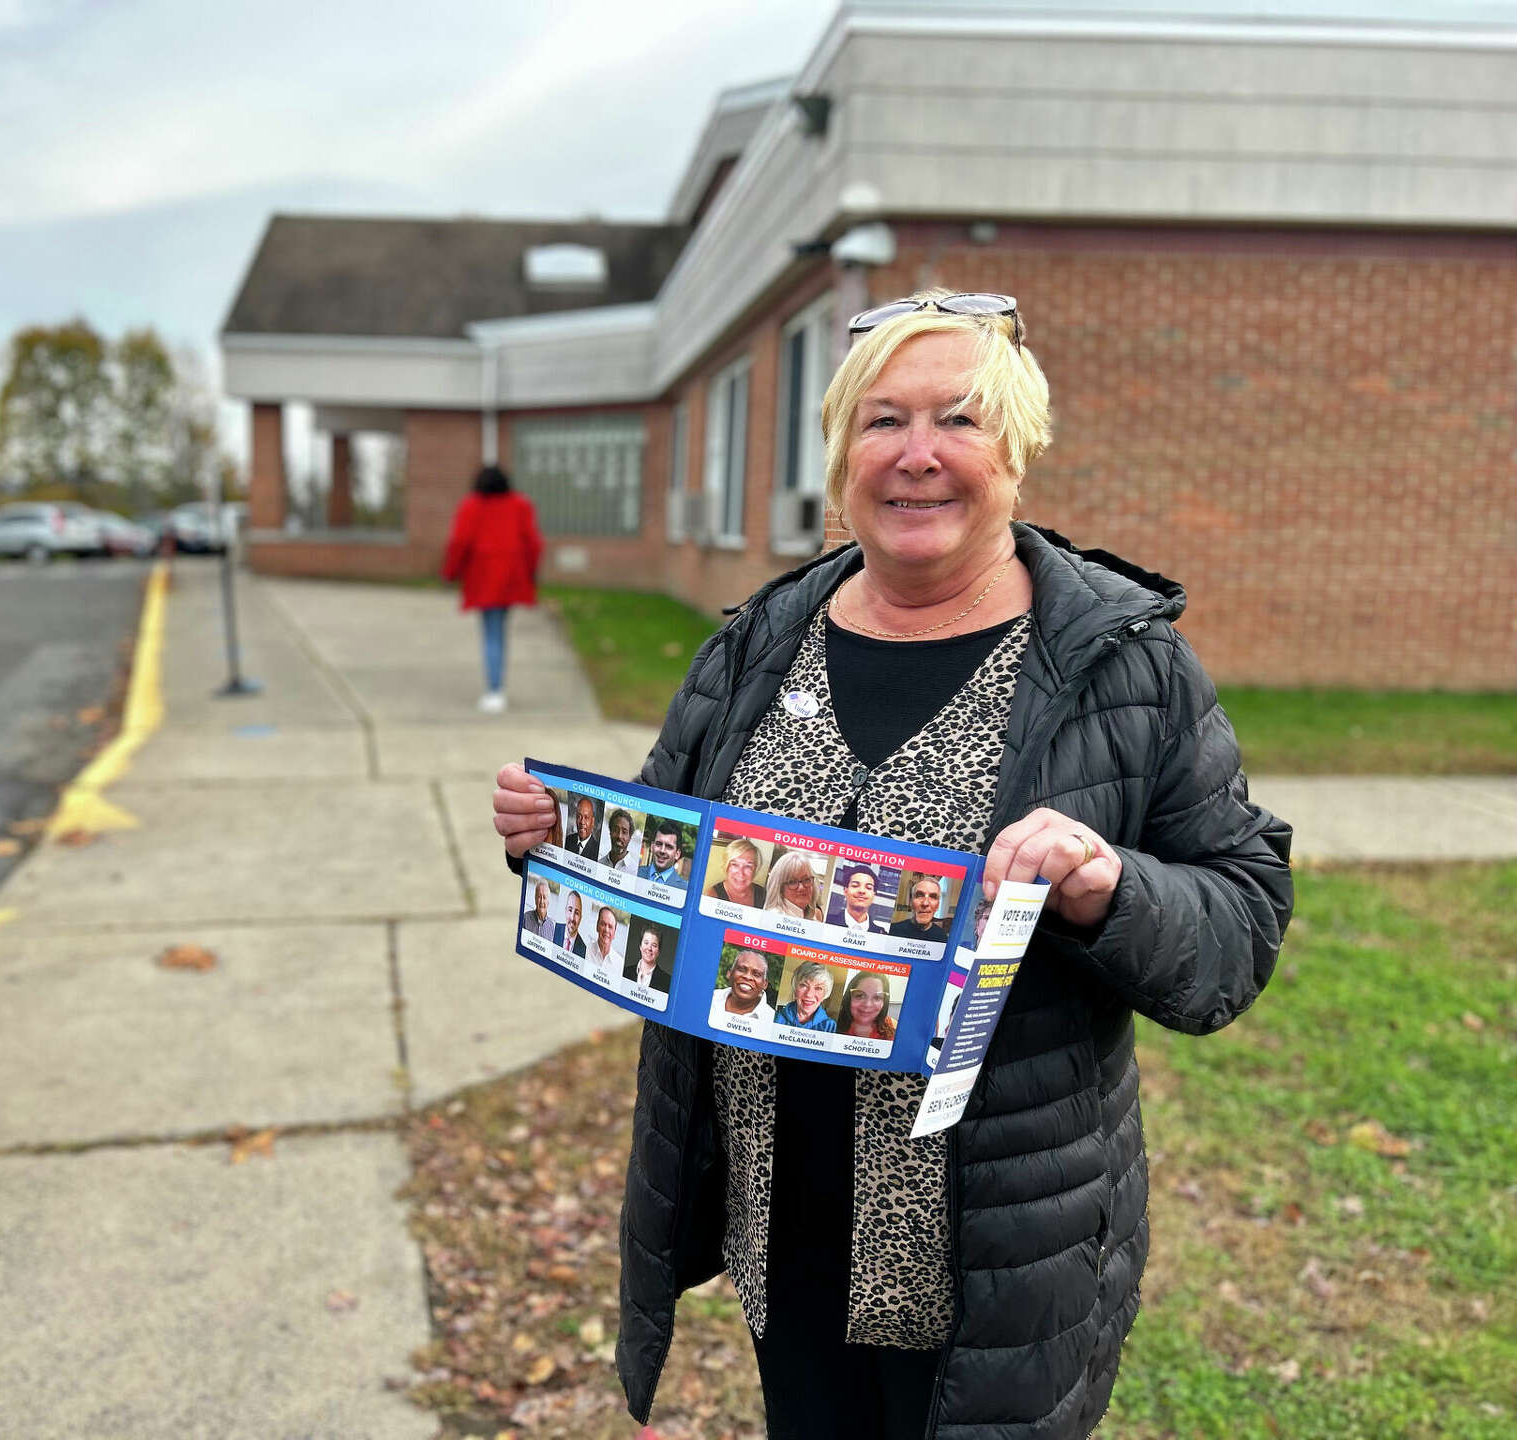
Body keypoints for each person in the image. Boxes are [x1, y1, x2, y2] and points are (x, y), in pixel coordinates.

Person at [491, 288, 1292, 1440]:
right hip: (783, 1218)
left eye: (959, 421)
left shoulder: (1128, 669)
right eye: (883, 422)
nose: (918, 456)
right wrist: (566, 845)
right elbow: (670, 863)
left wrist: (1107, 884)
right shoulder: (756, 646)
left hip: (993, 1255)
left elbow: (1238, 928)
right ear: (840, 454)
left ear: (1016, 453)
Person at [440, 464, 543, 714]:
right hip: (511, 579)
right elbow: (533, 542)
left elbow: (459, 541)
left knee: (491, 634)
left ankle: (494, 691)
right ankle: (497, 687)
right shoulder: (520, 504)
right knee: (498, 632)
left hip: (484, 578)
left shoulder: (472, 505)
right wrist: (530, 573)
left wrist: (450, 572)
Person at [708, 949, 774, 1025]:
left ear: (765, 984)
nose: (747, 977)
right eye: (742, 970)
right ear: (729, 974)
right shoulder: (710, 998)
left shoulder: (771, 1019)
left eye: (756, 974)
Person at [772, 960, 836, 1032]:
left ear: (825, 995)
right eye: (804, 985)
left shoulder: (830, 1026)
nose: (809, 994)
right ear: (795, 989)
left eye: (818, 988)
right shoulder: (774, 1018)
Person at [762, 851, 825, 922]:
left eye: (806, 880)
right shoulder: (775, 918)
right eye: (792, 882)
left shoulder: (811, 917)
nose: (801, 887)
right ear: (780, 888)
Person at [706, 836, 766, 908]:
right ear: (727, 866)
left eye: (748, 866)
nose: (741, 873)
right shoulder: (711, 896)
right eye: (735, 865)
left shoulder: (765, 896)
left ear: (756, 869)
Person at [835, 972, 896, 1041]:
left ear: (884, 1001)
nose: (867, 1005)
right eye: (860, 996)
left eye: (877, 997)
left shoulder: (892, 1030)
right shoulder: (830, 1025)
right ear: (849, 997)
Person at [888, 876, 950, 943]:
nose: (925, 903)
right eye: (920, 895)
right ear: (911, 902)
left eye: (933, 897)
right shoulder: (893, 931)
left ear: (938, 905)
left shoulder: (942, 938)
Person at [827, 863, 884, 933]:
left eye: (868, 887)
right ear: (845, 890)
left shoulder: (881, 934)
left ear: (874, 894)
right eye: (855, 885)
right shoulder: (826, 922)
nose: (862, 891)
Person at [638, 822, 688, 889]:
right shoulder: (635, 873)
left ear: (677, 854)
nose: (662, 850)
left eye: (669, 847)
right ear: (652, 847)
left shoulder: (683, 889)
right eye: (659, 844)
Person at [623, 926, 672, 993]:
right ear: (640, 946)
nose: (649, 948)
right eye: (646, 943)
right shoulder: (625, 972)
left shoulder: (667, 982)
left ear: (659, 951)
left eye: (654, 945)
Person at [564, 795, 606, 864]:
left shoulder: (597, 851)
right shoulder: (568, 840)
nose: (582, 822)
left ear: (592, 821)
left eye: (586, 817)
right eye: (579, 816)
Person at [604, 808, 642, 873]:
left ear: (630, 837)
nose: (619, 836)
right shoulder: (599, 863)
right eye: (616, 830)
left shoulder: (635, 871)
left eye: (624, 832)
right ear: (610, 832)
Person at [521, 877, 558, 943]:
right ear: (535, 899)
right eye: (539, 897)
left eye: (544, 897)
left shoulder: (552, 927)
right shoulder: (525, 918)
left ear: (548, 901)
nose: (541, 901)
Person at [585, 903, 622, 970]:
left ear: (614, 933)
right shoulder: (585, 950)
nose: (606, 930)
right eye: (603, 924)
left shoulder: (620, 964)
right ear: (597, 926)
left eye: (610, 926)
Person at [552, 890, 587, 959]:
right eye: (570, 910)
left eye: (576, 913)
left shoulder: (584, 951)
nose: (572, 917)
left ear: (580, 918)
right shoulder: (552, 930)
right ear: (565, 911)